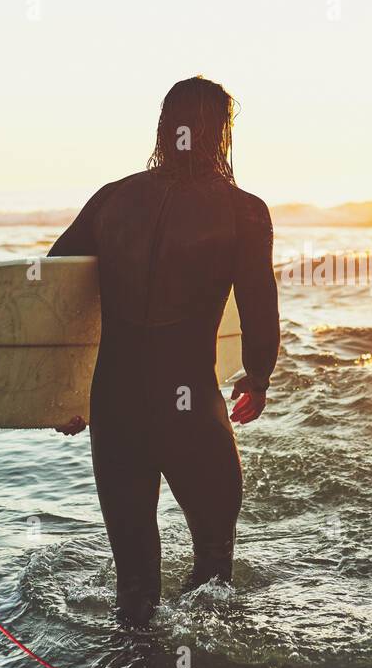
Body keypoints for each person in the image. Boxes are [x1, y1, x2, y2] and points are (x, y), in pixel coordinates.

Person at [48, 76, 279, 624]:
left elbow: (54, 290)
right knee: (214, 575)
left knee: (133, 589)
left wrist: (60, 393)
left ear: (163, 126)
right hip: (190, 409)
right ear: (221, 133)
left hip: (115, 410)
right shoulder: (243, 211)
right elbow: (258, 307)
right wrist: (258, 376)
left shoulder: (111, 200)